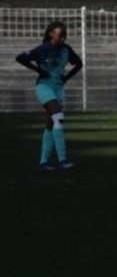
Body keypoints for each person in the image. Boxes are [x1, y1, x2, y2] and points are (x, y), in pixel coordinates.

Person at [16, 21, 83, 170]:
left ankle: (43, 161)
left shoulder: (66, 50)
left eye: (65, 35)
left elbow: (78, 64)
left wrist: (66, 78)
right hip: (44, 87)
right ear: (51, 34)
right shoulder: (43, 48)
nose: (63, 38)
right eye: (60, 35)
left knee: (51, 123)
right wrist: (38, 70)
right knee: (58, 118)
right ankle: (63, 159)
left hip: (58, 89)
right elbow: (20, 57)